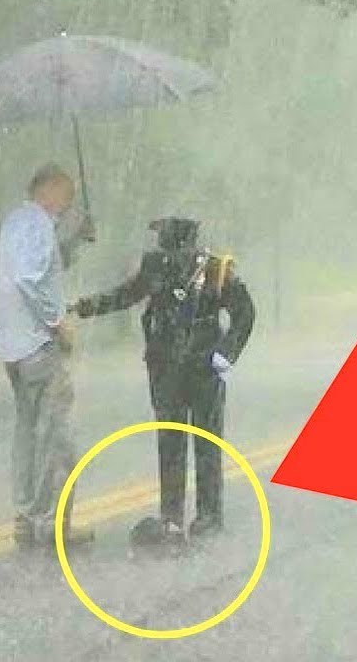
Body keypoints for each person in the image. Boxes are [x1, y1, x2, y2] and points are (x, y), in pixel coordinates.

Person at [72, 217, 255, 542]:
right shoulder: (155, 266)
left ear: (186, 241)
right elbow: (128, 294)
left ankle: (209, 515)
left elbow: (244, 310)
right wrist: (87, 307)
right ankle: (171, 516)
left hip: (203, 369)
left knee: (206, 442)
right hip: (166, 369)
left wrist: (225, 353)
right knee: (170, 444)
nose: (167, 248)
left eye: (169, 240)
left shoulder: (214, 269)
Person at [0, 163, 95, 552]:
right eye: (66, 197)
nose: (68, 207)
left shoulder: (15, 223)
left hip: (13, 349)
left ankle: (26, 517)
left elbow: (42, 268)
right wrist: (58, 322)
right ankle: (52, 522)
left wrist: (73, 242)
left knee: (29, 433)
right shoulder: (37, 224)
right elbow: (31, 279)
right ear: (48, 189)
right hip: (38, 346)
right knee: (55, 438)